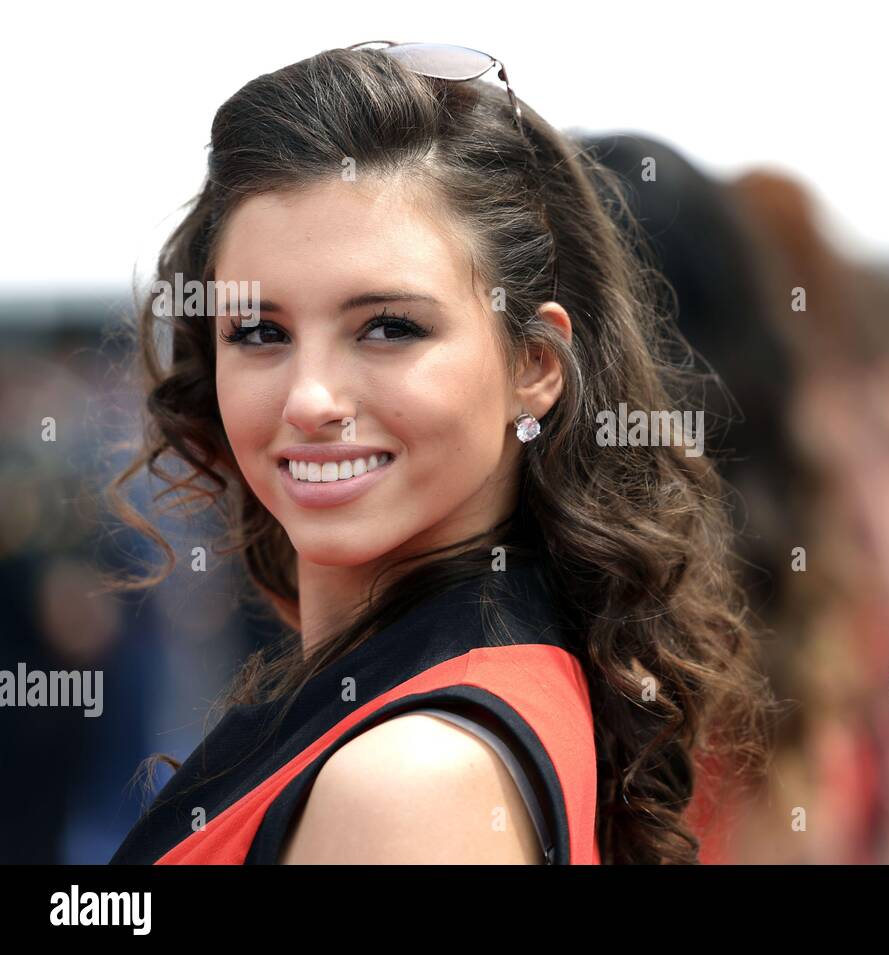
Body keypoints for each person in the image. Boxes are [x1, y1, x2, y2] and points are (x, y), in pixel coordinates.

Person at [102, 41, 777, 864]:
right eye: (260, 331)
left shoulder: (410, 781)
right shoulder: (491, 679)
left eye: (388, 327)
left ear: (533, 364)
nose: (311, 398)